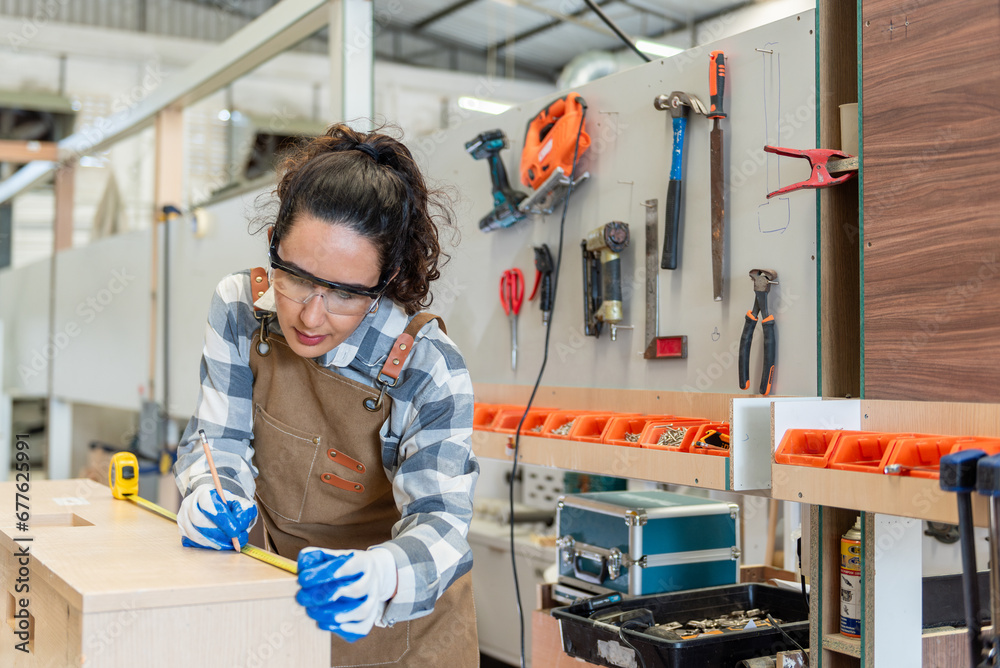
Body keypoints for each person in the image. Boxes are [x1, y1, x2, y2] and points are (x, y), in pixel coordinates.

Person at [173, 123, 480, 667]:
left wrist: (380, 574)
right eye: (295, 275)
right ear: (274, 242)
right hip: (274, 597)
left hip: (399, 625)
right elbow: (218, 439)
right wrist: (207, 492)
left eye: (344, 292)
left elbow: (442, 526)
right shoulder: (242, 309)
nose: (311, 316)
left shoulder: (429, 368)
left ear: (386, 278)